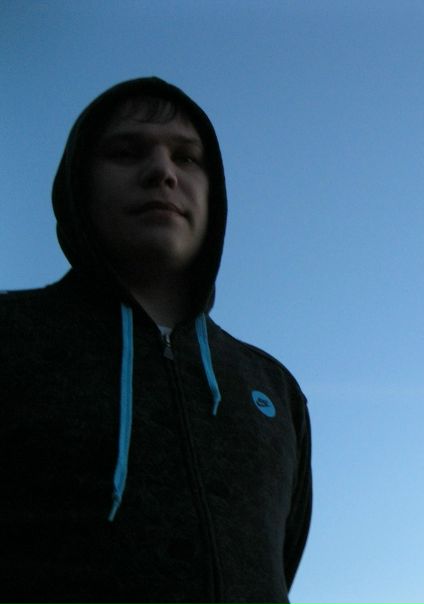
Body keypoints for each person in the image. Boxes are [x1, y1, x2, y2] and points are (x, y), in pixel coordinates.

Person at [0, 77, 312, 603]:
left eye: (187, 158)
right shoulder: (13, 335)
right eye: (126, 152)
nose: (162, 172)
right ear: (78, 183)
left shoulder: (274, 390)